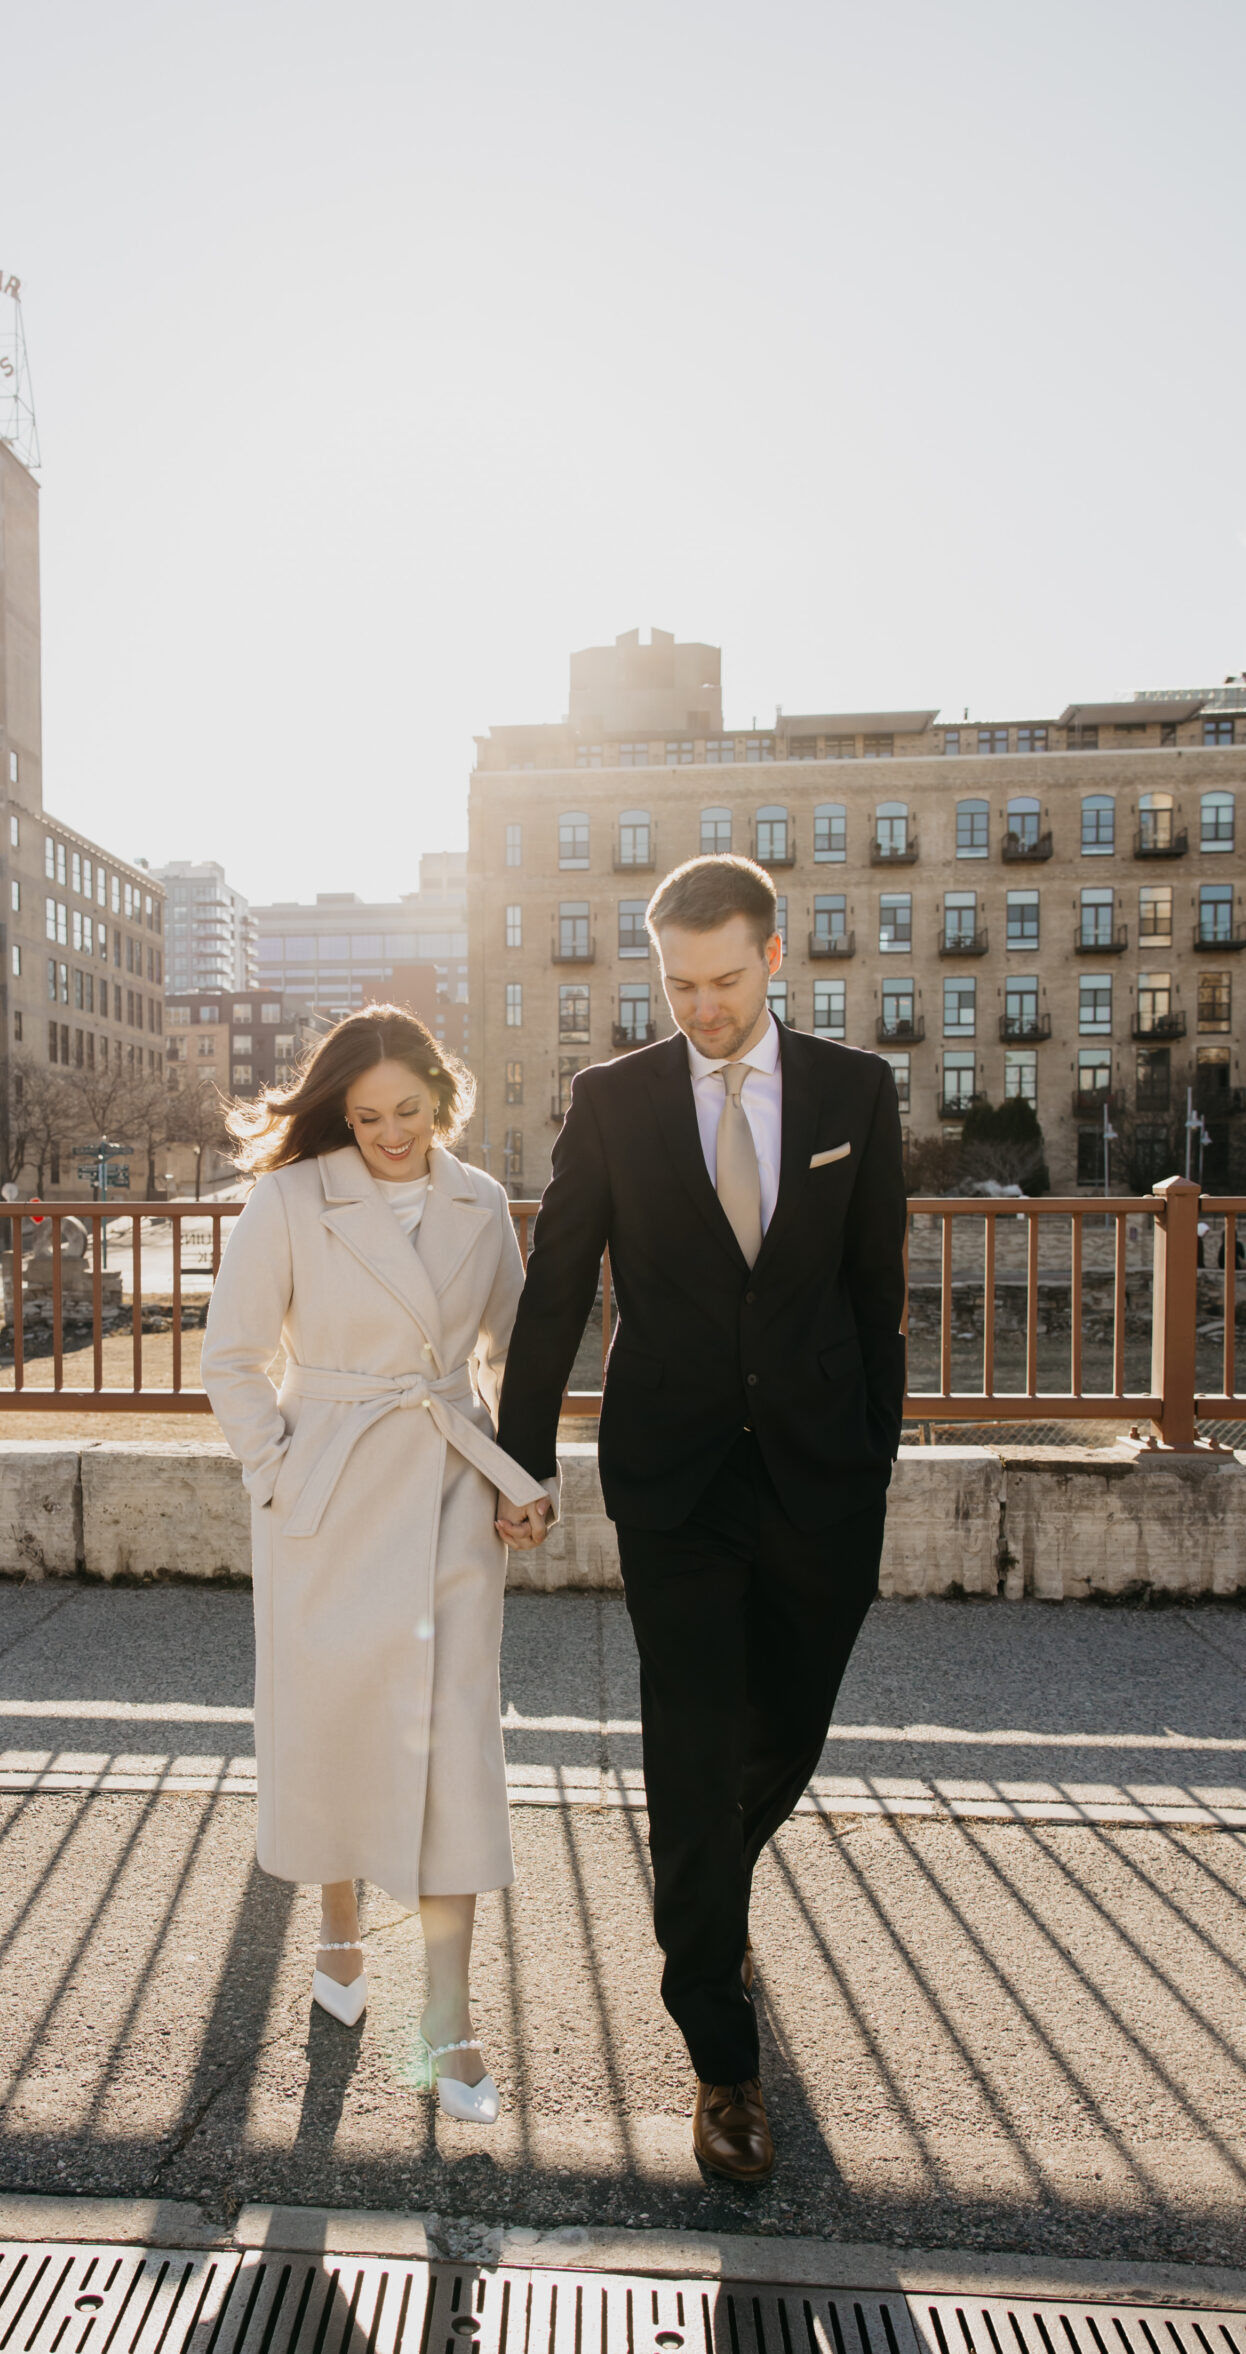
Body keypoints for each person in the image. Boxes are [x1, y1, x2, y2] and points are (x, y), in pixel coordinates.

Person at [492, 854, 907, 2186]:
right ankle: (721, 2063)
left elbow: (870, 1298)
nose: (702, 1009)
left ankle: (707, 1896)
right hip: (671, 1478)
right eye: (677, 985)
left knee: (783, 1730)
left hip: (816, 1475)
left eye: (724, 981)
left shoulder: (855, 1093)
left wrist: (871, 1461)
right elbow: (555, 1289)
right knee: (686, 1749)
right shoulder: (611, 1101)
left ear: (772, 958)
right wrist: (518, 1457)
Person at [201, 1006, 556, 2125]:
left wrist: (524, 1477)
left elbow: (515, 1350)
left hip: (449, 1489)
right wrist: (277, 1470)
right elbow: (234, 1356)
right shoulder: (291, 1199)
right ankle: (340, 1923)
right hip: (329, 1493)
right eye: (366, 1116)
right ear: (337, 1111)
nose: (390, 1134)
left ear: (439, 1101)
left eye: (408, 1111)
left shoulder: (482, 1203)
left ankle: (448, 2020)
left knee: (455, 1745)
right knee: (337, 1724)